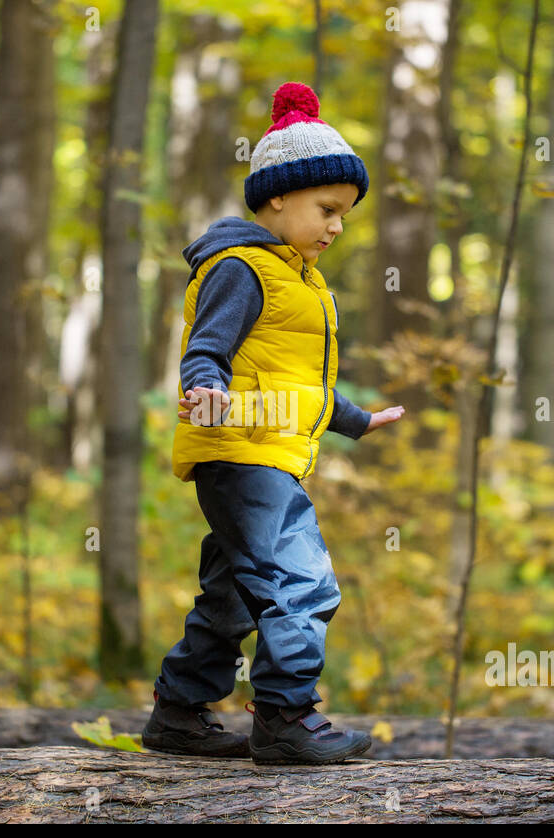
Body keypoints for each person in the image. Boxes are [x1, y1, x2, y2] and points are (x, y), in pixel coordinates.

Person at [142, 81, 406, 764]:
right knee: (302, 580)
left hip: (265, 449)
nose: (338, 226)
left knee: (232, 594)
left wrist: (356, 419)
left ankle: (177, 712)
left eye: (345, 213)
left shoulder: (299, 278)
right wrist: (203, 387)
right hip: (243, 450)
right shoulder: (242, 268)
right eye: (328, 208)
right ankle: (286, 718)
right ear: (278, 196)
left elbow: (300, 385)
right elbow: (209, 348)